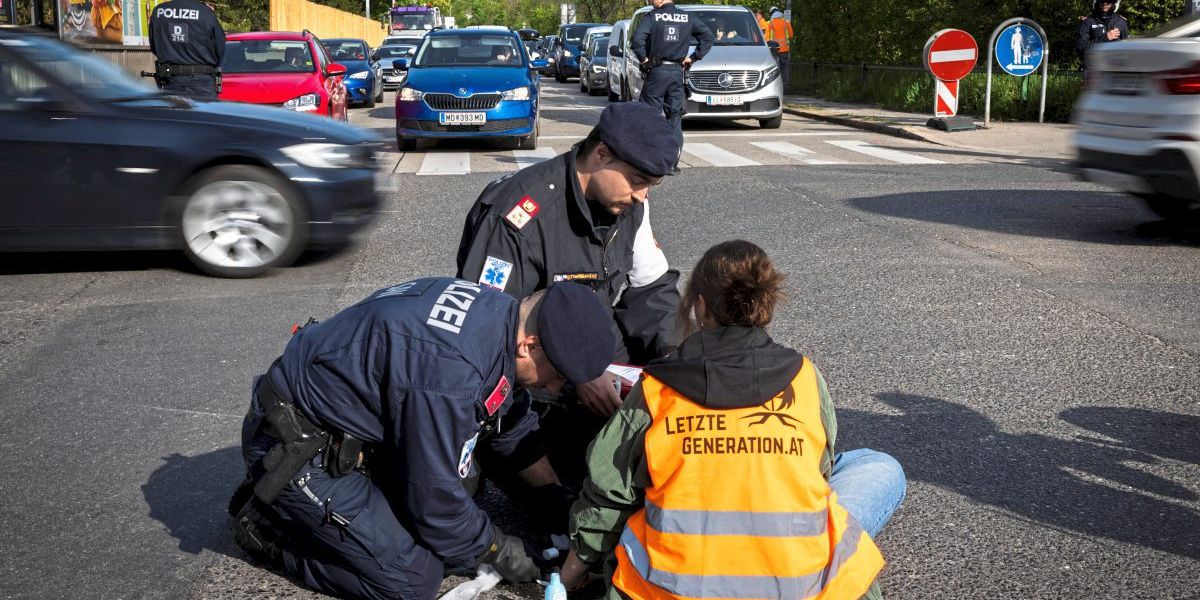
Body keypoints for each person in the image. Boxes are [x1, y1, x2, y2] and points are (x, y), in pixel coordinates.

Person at [559, 240, 907, 600]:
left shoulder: (656, 388)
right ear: (766, 305)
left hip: (671, 590)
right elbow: (819, 475)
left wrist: (569, 576)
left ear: (700, 306)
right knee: (877, 466)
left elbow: (607, 496)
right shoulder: (805, 377)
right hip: (799, 588)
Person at [229, 278, 617, 600]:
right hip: (297, 446)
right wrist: (501, 552)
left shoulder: (500, 315)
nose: (556, 387)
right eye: (559, 374)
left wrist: (554, 498)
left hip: (350, 423)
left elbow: (509, 423)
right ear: (528, 346)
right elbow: (436, 503)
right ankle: (269, 530)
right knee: (413, 578)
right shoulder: (451, 375)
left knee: (463, 491)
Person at [456, 101, 683, 505]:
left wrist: (677, 359)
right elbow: (486, 340)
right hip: (540, 378)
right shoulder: (516, 217)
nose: (642, 195)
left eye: (651, 185)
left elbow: (651, 290)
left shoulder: (630, 205)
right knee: (582, 493)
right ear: (602, 154)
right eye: (637, 181)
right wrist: (579, 373)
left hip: (598, 356)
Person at [630, 0, 714, 174]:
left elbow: (637, 39)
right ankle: (672, 163)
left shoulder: (652, 17)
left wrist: (644, 59)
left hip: (657, 72)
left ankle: (650, 160)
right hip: (677, 72)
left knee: (649, 115)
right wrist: (693, 57)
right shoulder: (688, 17)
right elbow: (708, 37)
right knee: (675, 117)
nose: (650, 1)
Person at [148, 0, 225, 100]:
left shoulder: (158, 11)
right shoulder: (205, 12)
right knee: (204, 110)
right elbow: (220, 47)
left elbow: (154, 46)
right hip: (203, 83)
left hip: (171, 81)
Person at [1076, 0, 1129, 65]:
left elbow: (1126, 50)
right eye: (1102, 1)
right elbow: (1081, 48)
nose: (1105, 4)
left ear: (1114, 3)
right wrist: (1105, 38)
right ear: (1097, 2)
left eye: (1108, 1)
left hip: (1116, 66)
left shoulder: (1121, 22)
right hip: (1094, 66)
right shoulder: (1087, 22)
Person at [764, 6, 794, 87]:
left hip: (774, 51)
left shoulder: (769, 23)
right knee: (785, 69)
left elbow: (766, 38)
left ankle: (776, 87)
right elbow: (791, 35)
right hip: (785, 50)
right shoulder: (786, 22)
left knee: (775, 70)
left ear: (771, 14)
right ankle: (786, 87)